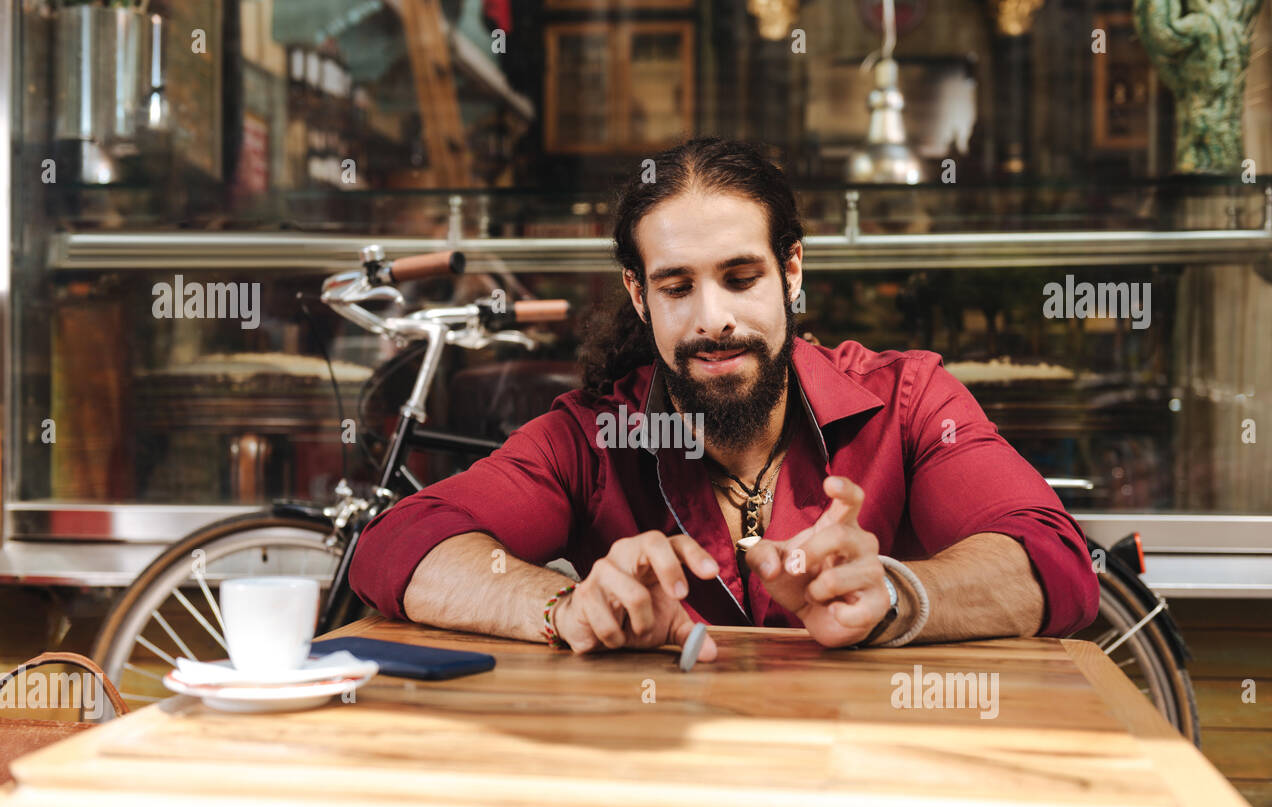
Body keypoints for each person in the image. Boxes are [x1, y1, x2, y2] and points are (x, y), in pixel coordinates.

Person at [349, 137, 1099, 662]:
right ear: (639, 297)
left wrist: (899, 594)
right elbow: (396, 544)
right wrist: (560, 607)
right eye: (677, 286)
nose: (713, 318)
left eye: (740, 277)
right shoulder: (591, 438)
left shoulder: (905, 400)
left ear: (791, 271)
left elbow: (1056, 561)